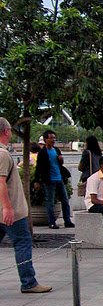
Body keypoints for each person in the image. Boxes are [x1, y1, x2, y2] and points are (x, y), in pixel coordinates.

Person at [0, 117, 51, 293]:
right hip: (11, 211)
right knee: (22, 242)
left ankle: (29, 281)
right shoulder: (3, 154)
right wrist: (7, 208)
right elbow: (1, 182)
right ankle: (28, 282)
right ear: (6, 132)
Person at [34, 130, 74, 229]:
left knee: (65, 200)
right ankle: (51, 222)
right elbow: (39, 167)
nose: (53, 140)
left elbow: (59, 164)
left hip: (59, 178)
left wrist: (61, 160)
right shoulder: (42, 152)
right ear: (46, 139)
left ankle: (67, 221)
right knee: (50, 201)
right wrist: (37, 181)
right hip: (49, 180)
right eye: (51, 138)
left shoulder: (56, 150)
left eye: (54, 138)